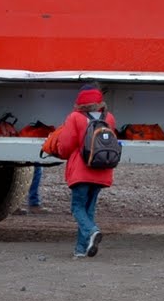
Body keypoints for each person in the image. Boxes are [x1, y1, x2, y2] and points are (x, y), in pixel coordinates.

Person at [46, 85, 117, 258]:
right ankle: (81, 249)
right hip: (102, 170)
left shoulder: (75, 118)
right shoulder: (109, 117)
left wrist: (57, 150)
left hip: (81, 171)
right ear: (99, 101)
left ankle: (93, 231)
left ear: (79, 102)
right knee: (88, 210)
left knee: (77, 207)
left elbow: (66, 146)